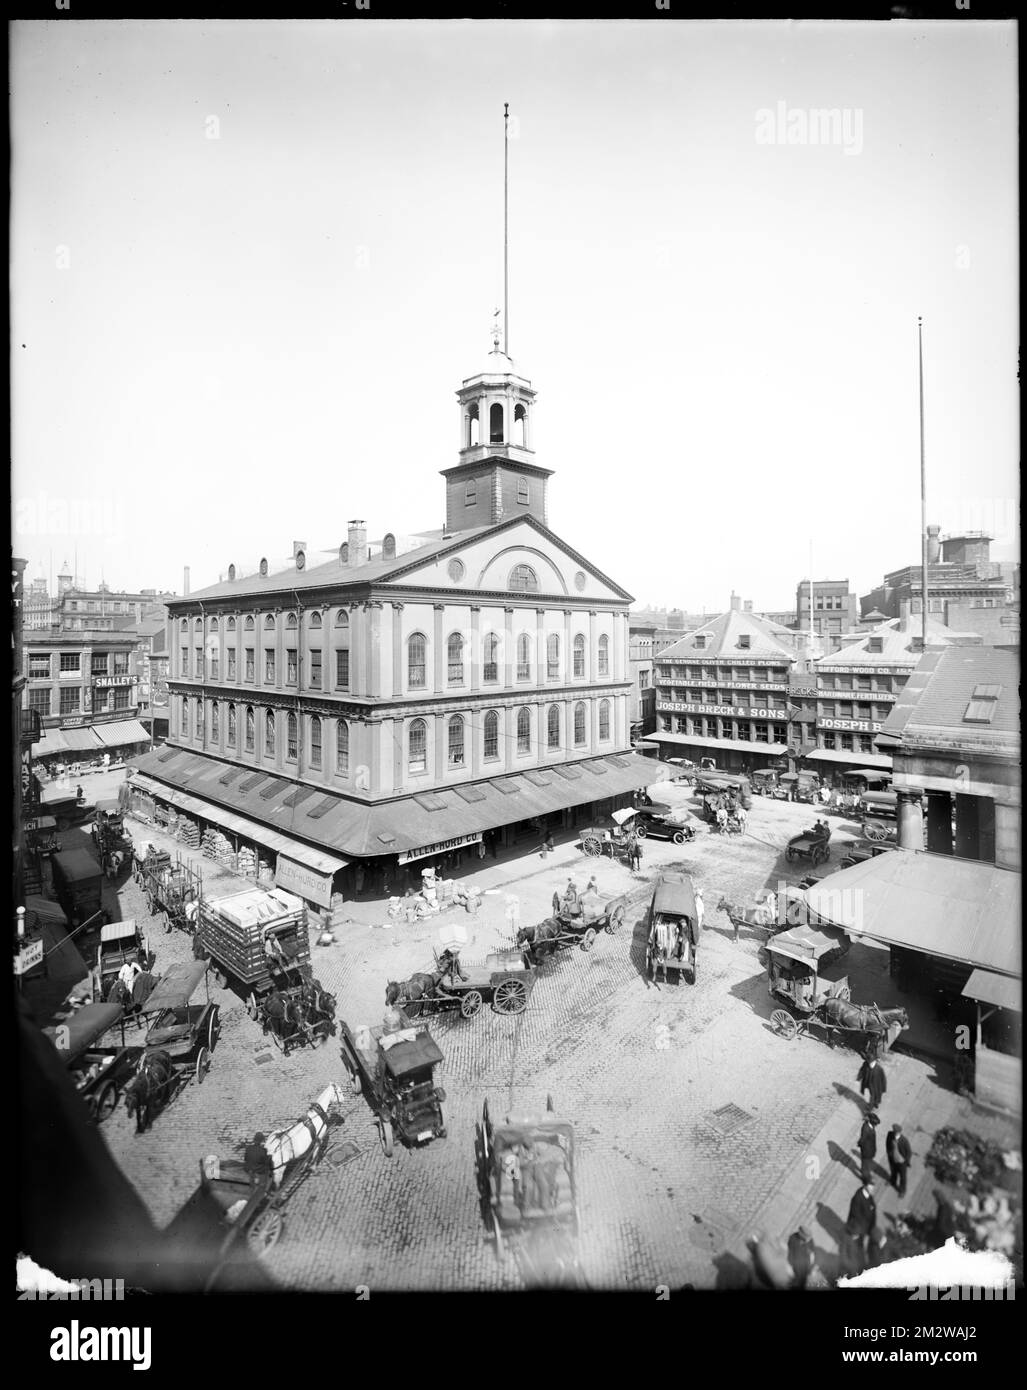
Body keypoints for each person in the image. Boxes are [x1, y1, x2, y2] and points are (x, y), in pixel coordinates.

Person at [845, 1181, 877, 1273]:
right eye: (871, 1187)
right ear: (866, 1186)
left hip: (864, 1229)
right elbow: (856, 1215)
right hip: (858, 1229)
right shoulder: (857, 1198)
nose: (873, 1190)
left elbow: (872, 1209)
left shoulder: (868, 1196)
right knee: (858, 1248)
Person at [886, 1123, 912, 1196]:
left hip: (901, 1162)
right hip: (893, 1159)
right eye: (894, 1132)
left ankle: (902, 1190)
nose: (895, 1133)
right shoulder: (890, 1135)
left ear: (899, 1132)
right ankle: (892, 1181)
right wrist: (889, 1153)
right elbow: (887, 1144)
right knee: (893, 1172)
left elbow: (909, 1152)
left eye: (896, 1133)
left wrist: (906, 1161)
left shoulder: (904, 1140)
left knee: (902, 1177)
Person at [858, 1111, 880, 1185]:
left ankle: (865, 1173)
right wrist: (861, 1146)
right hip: (866, 1151)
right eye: (875, 1124)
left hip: (870, 1150)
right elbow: (862, 1140)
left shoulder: (870, 1126)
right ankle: (866, 1180)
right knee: (866, 1166)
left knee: (866, 1164)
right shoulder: (866, 1129)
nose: (876, 1126)